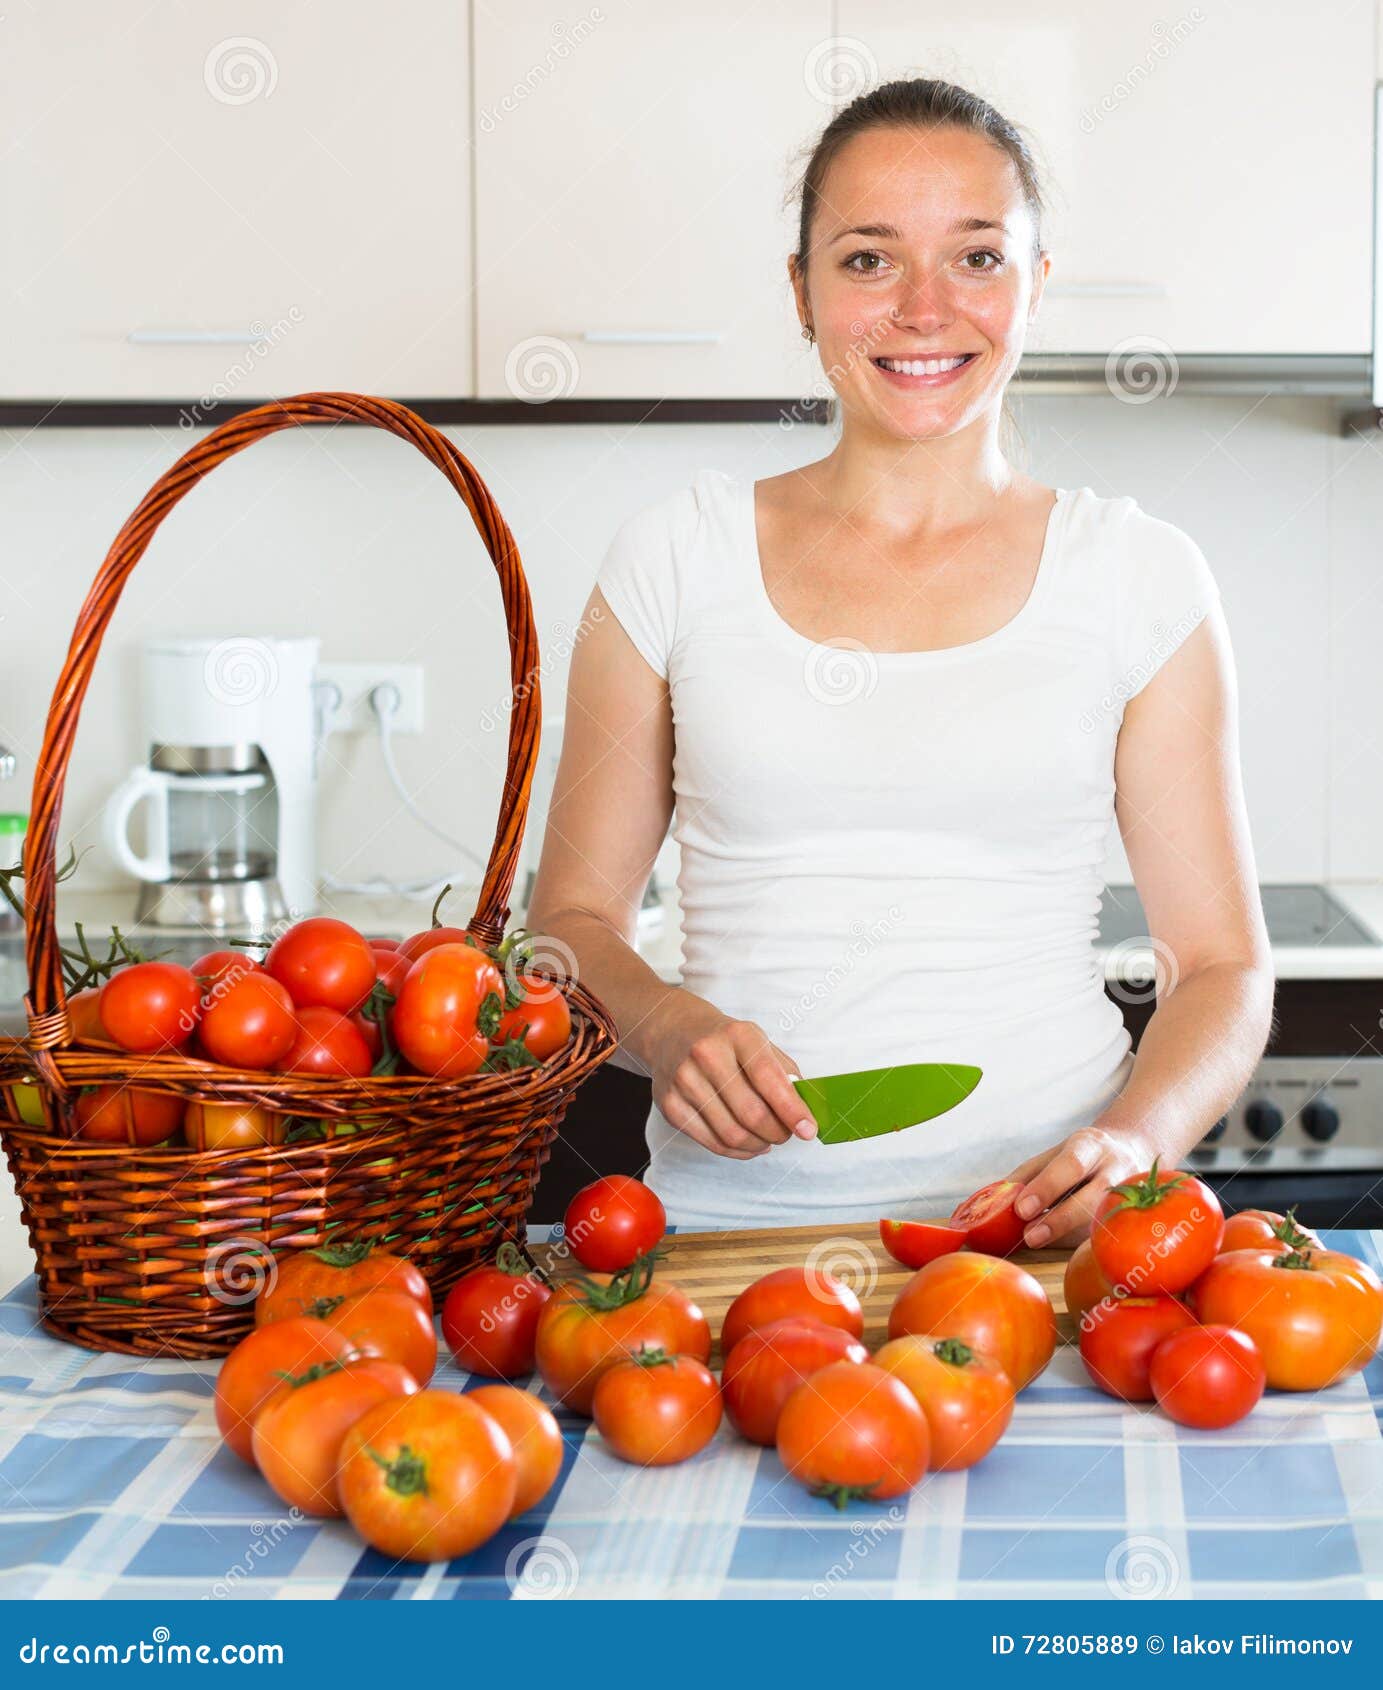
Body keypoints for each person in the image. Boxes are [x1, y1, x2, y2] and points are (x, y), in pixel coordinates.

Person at [525, 78, 1272, 1243]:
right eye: (870, 260)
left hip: (1035, 1239)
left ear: (1037, 282)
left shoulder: (1141, 576)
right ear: (802, 291)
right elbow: (566, 926)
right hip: (726, 1237)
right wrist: (667, 1026)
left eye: (977, 257)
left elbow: (1223, 966)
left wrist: (1135, 1140)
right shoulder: (673, 556)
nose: (925, 308)